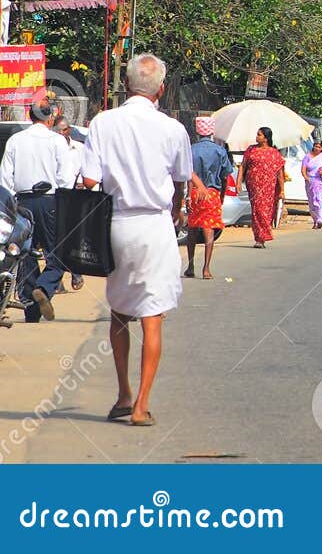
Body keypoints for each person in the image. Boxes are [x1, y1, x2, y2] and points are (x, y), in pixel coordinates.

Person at [79, 52, 191, 427]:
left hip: (118, 225)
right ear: (161, 89)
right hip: (155, 226)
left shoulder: (102, 123)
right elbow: (180, 181)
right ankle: (141, 404)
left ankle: (123, 393)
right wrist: (175, 207)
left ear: (126, 84)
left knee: (120, 313)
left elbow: (89, 182)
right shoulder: (173, 129)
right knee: (152, 318)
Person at [0, 91, 69, 321]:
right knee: (57, 252)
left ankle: (32, 308)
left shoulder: (15, 141)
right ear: (49, 118)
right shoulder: (57, 140)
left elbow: (5, 180)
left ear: (30, 117)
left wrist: (13, 204)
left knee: (26, 252)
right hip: (50, 200)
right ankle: (45, 287)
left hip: (22, 202)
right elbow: (66, 178)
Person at [186, 116, 231, 276]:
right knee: (208, 231)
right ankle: (206, 268)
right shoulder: (220, 151)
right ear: (211, 131)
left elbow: (188, 175)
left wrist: (188, 196)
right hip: (212, 193)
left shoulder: (191, 150)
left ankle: (190, 267)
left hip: (195, 193)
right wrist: (221, 196)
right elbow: (225, 176)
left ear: (198, 131)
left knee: (192, 230)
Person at [54, 112, 87, 294]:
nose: (61, 134)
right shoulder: (50, 147)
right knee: (58, 238)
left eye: (64, 130)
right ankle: (57, 280)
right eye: (58, 130)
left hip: (75, 195)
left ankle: (76, 272)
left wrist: (82, 182)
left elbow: (86, 168)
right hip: (56, 197)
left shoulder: (79, 148)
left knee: (74, 236)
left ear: (69, 131)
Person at [242, 127, 286, 248]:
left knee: (264, 211)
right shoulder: (251, 149)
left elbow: (280, 173)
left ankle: (262, 238)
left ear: (266, 138)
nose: (257, 137)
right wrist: (237, 183)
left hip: (268, 188)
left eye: (259, 135)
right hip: (253, 186)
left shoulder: (274, 153)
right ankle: (258, 238)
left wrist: (282, 190)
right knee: (256, 211)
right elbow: (243, 166)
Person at [302, 139, 322, 229]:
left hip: (321, 182)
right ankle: (315, 220)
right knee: (312, 202)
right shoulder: (307, 157)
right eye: (315, 146)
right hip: (311, 182)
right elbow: (303, 169)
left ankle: (320, 220)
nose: (317, 148)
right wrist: (306, 177)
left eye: (319, 147)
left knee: (321, 200)